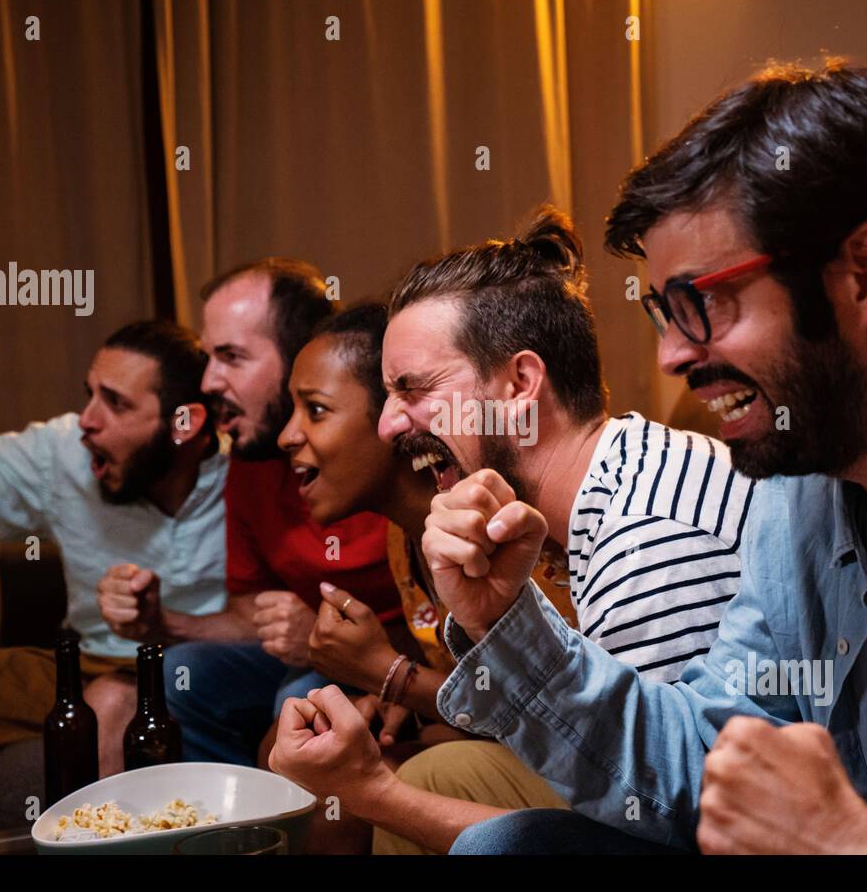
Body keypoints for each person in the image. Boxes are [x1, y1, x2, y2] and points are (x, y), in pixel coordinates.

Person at [416, 59, 867, 854]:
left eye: (700, 305)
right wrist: (504, 623)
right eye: (662, 313)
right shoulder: (804, 501)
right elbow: (706, 764)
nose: (670, 360)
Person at [268, 207, 756, 853]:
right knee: (442, 769)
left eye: (413, 389)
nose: (390, 426)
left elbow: (675, 818)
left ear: (521, 383)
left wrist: (369, 790)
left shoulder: (640, 539)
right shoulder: (616, 476)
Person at [0, 320, 225, 838]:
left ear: (185, 423)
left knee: (110, 706)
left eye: (116, 404)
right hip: (77, 664)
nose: (87, 421)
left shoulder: (246, 479)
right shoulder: (64, 454)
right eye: (89, 395)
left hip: (189, 669)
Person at [98, 259, 404, 766]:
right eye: (207, 357)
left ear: (303, 353)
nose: (209, 380)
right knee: (183, 674)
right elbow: (251, 614)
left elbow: (450, 632)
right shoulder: (249, 455)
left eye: (231, 357)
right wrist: (163, 623)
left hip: (388, 656)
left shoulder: (385, 459)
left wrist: (325, 640)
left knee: (298, 699)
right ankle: (230, 831)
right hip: (319, 653)